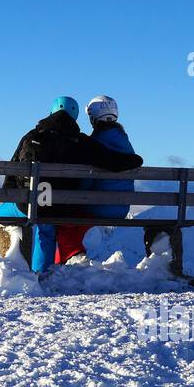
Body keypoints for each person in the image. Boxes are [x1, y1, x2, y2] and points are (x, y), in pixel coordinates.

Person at [0, 96, 142, 273]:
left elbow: (12, 171)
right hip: (60, 206)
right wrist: (136, 160)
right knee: (47, 226)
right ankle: (42, 275)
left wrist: (8, 196)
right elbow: (112, 161)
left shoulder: (31, 137)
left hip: (26, 204)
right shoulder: (82, 142)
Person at [54, 95, 143, 264]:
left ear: (94, 117)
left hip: (99, 207)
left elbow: (87, 180)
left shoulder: (95, 143)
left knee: (65, 222)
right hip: (122, 208)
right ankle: (73, 258)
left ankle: (64, 262)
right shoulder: (124, 140)